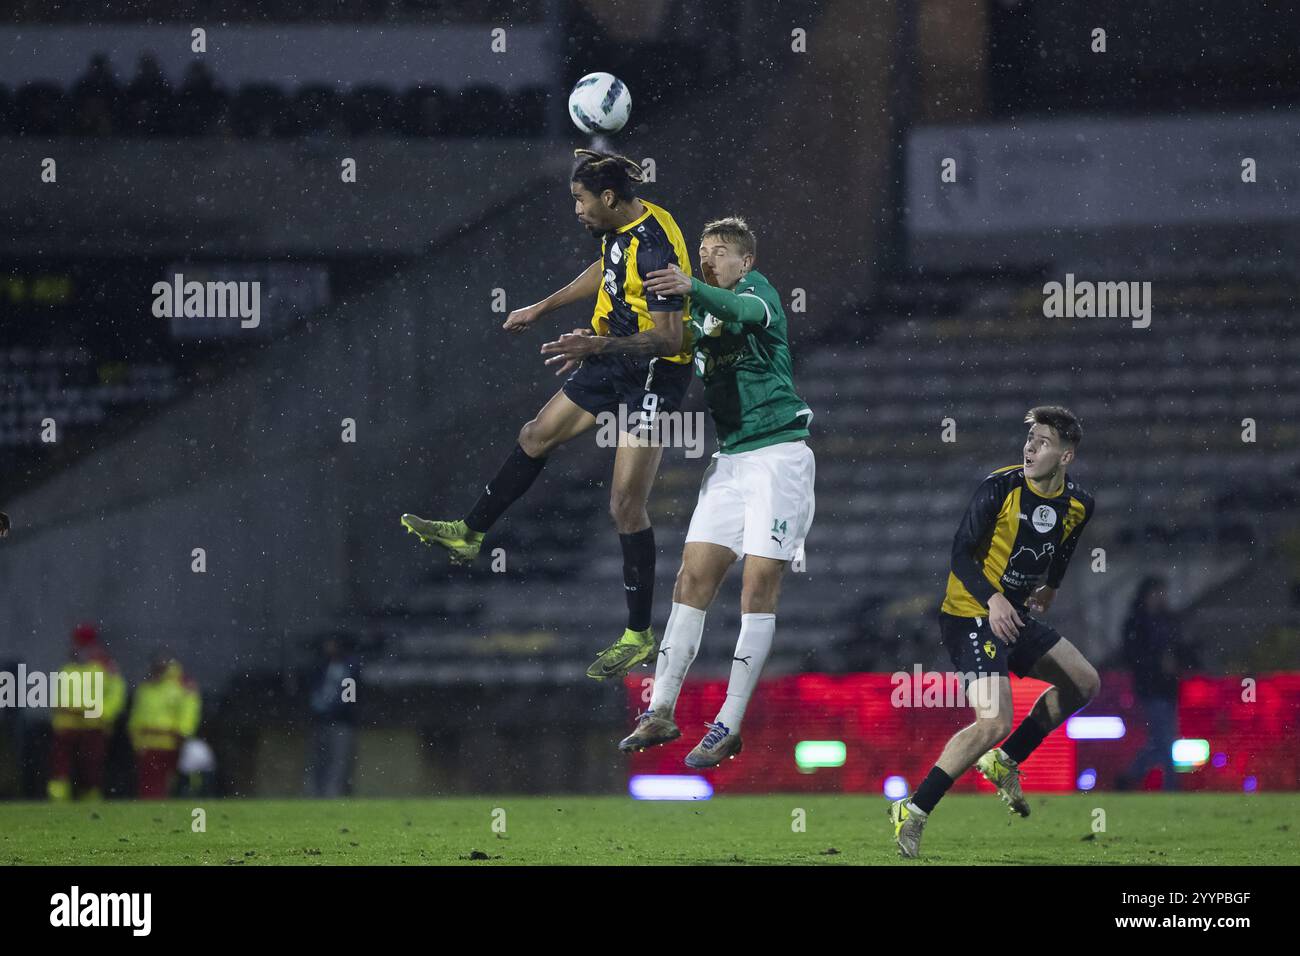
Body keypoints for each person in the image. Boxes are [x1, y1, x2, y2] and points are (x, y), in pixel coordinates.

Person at [401, 148, 695, 681]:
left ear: (608, 198)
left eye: (581, 200)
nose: (576, 210)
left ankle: (637, 635)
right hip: (608, 350)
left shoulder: (654, 249)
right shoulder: (625, 223)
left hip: (652, 370)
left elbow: (671, 337)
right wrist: (542, 307)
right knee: (536, 435)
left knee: (625, 504)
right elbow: (606, 269)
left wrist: (596, 348)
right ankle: (470, 533)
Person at [616, 216, 815, 767]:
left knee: (756, 588)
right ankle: (660, 710)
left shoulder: (758, 291)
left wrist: (690, 287)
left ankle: (728, 723)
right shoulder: (699, 311)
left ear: (744, 261)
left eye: (719, 251)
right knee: (691, 578)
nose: (706, 259)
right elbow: (666, 341)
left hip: (778, 457)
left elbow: (744, 314)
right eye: (701, 252)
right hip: (730, 461)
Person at [890, 406, 1100, 858]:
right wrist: (994, 598)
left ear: (1065, 456)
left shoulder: (1079, 503)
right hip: (970, 613)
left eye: (1042, 442)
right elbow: (960, 555)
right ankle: (913, 809)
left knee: (1084, 682)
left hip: (1014, 616)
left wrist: (1052, 588)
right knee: (994, 721)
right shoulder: (999, 488)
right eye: (1029, 439)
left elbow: (1064, 547)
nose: (1030, 447)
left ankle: (1006, 761)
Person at [1117, 575, 1197, 790]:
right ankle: (1171, 787)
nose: (1161, 597)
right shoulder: (1137, 622)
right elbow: (1132, 655)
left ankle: (1129, 777)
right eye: (1157, 592)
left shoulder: (1168, 621)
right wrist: (1157, 663)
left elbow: (1180, 649)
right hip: (1150, 688)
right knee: (1165, 740)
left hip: (1167, 688)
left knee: (1160, 741)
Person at [47, 624, 126, 801]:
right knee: (60, 766)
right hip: (67, 726)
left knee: (90, 767)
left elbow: (116, 694)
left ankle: (90, 799)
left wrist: (101, 713)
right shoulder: (67, 669)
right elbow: (58, 698)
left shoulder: (105, 668)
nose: (76, 648)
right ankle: (58, 800)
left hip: (93, 725)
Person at [128, 655, 201, 798]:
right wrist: (136, 741)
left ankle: (166, 811)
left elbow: (189, 712)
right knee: (148, 784)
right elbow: (136, 717)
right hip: (147, 744)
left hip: (170, 743)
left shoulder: (180, 687)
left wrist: (182, 733)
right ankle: (151, 813)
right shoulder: (146, 688)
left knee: (169, 783)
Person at [303, 638, 359, 797]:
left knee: (339, 761)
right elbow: (313, 690)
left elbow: (349, 698)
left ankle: (333, 793)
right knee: (317, 759)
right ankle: (313, 793)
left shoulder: (349, 668)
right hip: (320, 721)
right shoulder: (321, 666)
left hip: (341, 721)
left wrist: (331, 711)